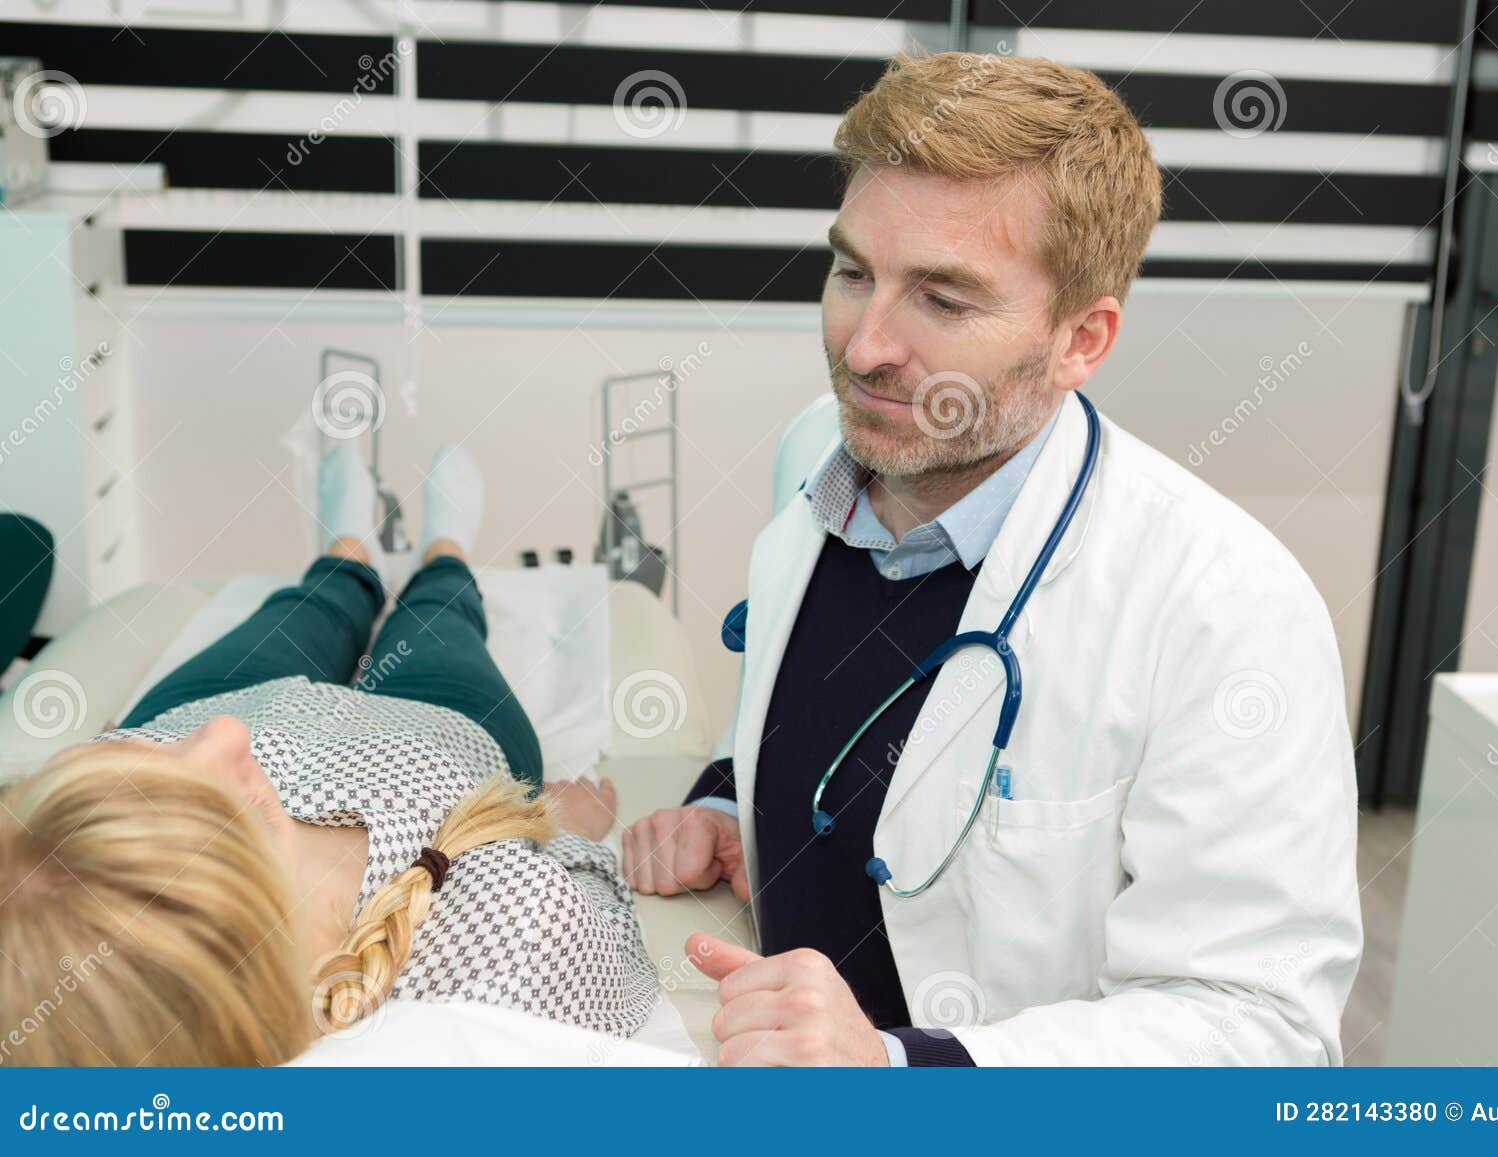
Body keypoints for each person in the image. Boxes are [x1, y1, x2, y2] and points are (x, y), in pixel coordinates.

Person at [622, 52, 1363, 1067]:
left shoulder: (1224, 606)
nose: (866, 345)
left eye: (943, 299)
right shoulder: (824, 455)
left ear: (1079, 340)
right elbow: (827, 709)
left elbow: (1258, 1028)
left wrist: (904, 1068)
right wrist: (725, 796)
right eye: (852, 273)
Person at [0, 445, 657, 1066]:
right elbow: (615, 953)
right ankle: (444, 554)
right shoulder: (516, 937)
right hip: (443, 729)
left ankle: (348, 554)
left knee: (316, 602)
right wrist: (565, 832)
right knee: (442, 616)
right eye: (212, 806)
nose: (224, 735)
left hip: (219, 696)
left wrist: (120, 755)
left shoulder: (51, 894)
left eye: (144, 773)